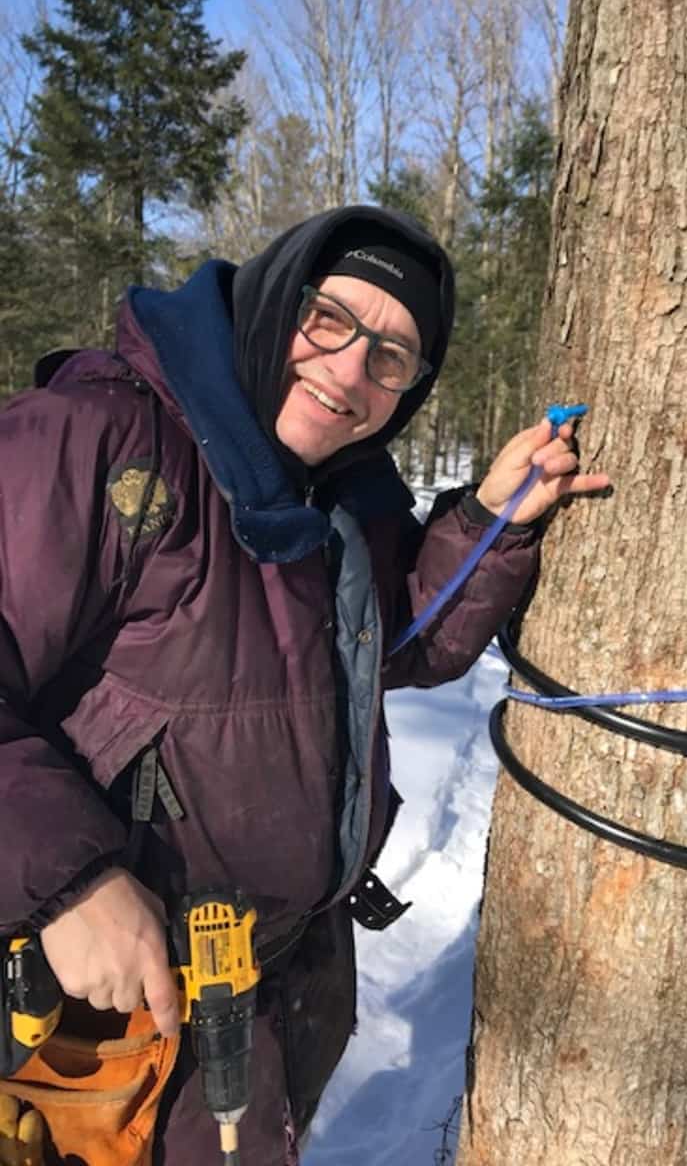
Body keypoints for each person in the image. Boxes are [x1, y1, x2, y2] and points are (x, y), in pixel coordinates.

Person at [0, 205, 607, 1164]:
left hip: (282, 985)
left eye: (394, 358)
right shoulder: (97, 438)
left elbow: (397, 641)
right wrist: (67, 886)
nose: (351, 371)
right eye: (331, 319)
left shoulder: (340, 493)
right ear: (277, 299)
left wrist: (493, 518)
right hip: (99, 1017)